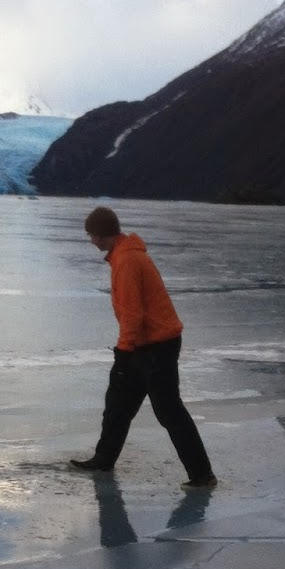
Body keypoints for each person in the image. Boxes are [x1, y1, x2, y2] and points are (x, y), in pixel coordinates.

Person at [71, 206, 218, 490]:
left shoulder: (127, 261)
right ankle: (103, 458)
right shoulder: (125, 255)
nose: (91, 241)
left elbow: (132, 313)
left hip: (155, 347)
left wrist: (124, 354)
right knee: (118, 405)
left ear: (102, 234)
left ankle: (202, 475)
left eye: (91, 235)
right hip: (145, 345)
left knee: (168, 411)